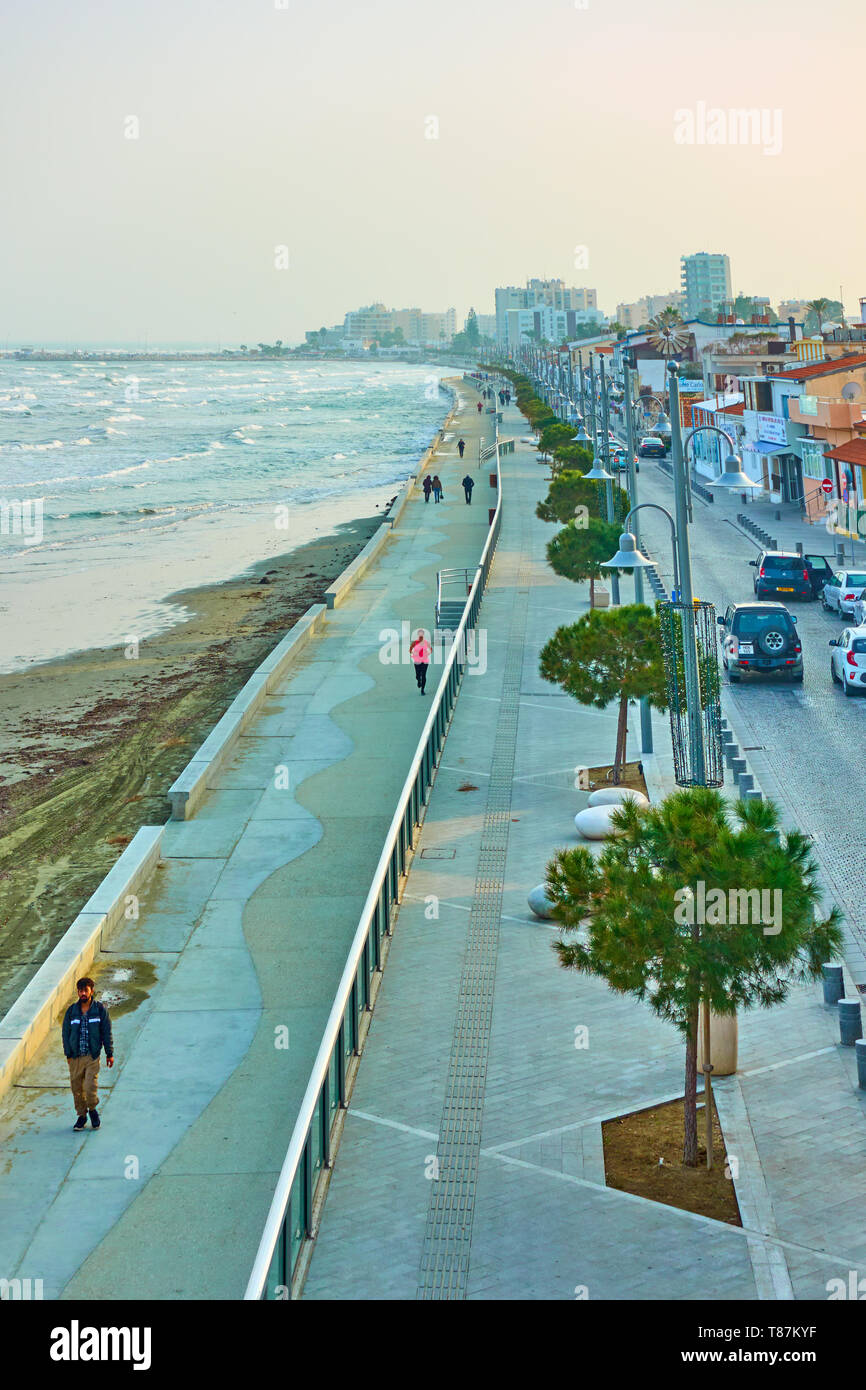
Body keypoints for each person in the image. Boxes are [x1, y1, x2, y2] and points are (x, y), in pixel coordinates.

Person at [62, 977, 114, 1131]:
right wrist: (68, 1055)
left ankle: (92, 1110)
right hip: (76, 1057)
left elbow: (106, 1033)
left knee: (90, 1087)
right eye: (80, 990)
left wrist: (109, 1053)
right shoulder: (72, 1011)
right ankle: (82, 1116)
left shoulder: (99, 1010)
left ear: (91, 991)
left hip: (92, 1056)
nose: (82, 993)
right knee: (77, 1089)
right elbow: (65, 1034)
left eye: (85, 990)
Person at [410, 630, 432, 694]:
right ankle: (419, 680)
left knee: (424, 675)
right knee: (417, 675)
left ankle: (422, 690)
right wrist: (414, 654)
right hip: (417, 661)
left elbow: (431, 650)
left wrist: (427, 654)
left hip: (425, 661)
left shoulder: (426, 642)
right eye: (419, 634)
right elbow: (410, 650)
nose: (420, 636)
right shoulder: (414, 643)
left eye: (422, 634)